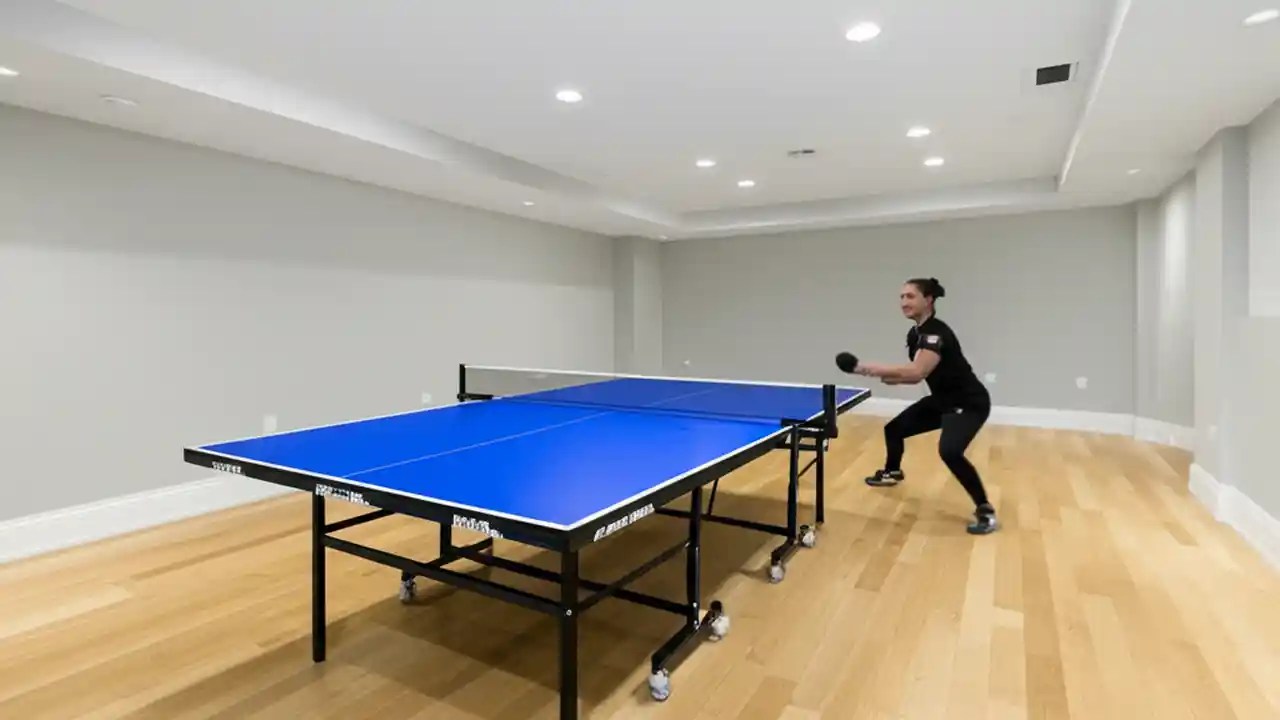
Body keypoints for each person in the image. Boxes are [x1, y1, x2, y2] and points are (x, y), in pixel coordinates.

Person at [851, 277, 998, 534]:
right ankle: (892, 472)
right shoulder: (916, 332)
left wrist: (865, 369)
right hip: (942, 400)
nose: (903, 302)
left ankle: (985, 509)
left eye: (910, 296)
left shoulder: (935, 333)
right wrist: (897, 378)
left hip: (968, 403)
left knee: (950, 452)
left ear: (928, 300)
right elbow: (920, 374)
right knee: (894, 429)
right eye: (901, 297)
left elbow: (917, 371)